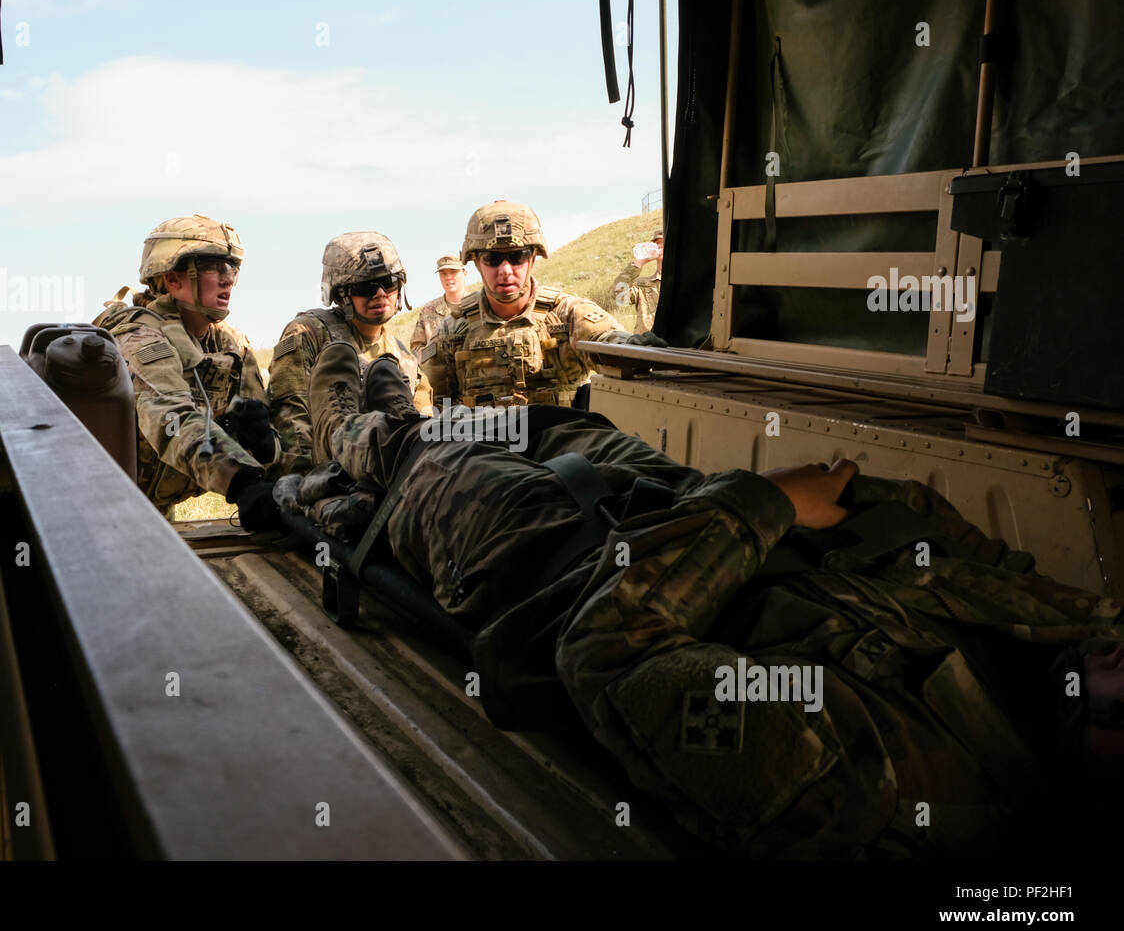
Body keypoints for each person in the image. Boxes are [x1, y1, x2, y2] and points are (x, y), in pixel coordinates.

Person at [271, 340, 1124, 859]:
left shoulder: (870, 789)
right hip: (676, 495)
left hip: (553, 562)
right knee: (526, 423)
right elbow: (964, 550)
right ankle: (373, 432)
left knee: (429, 457)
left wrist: (772, 506)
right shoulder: (1077, 644)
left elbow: (609, 652)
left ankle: (343, 424)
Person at [93, 214, 279, 527]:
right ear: (172, 279)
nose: (227, 279)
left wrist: (264, 443)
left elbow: (270, 439)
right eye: (213, 267)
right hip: (103, 511)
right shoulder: (139, 337)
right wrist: (242, 482)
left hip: (158, 510)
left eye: (232, 268)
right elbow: (172, 418)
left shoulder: (232, 344)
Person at [421, 200, 667, 411]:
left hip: (559, 451)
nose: (506, 270)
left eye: (517, 256)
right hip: (484, 456)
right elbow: (428, 404)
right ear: (475, 262)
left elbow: (605, 340)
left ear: (533, 257)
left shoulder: (566, 314)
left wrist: (629, 348)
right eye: (493, 259)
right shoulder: (454, 331)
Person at [267, 232, 432, 478]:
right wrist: (305, 486)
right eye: (365, 288)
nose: (380, 294)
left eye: (389, 283)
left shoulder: (404, 358)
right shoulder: (309, 334)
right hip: (324, 477)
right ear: (341, 294)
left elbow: (424, 429)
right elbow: (291, 417)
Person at [408, 255, 467, 356]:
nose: (448, 277)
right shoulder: (428, 310)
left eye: (453, 272)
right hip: (439, 370)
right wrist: (434, 358)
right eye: (443, 274)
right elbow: (416, 347)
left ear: (464, 273)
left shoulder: (478, 305)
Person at [612, 227, 663, 333]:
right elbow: (619, 297)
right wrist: (638, 264)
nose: (659, 246)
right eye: (657, 243)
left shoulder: (687, 282)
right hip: (647, 346)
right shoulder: (642, 285)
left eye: (664, 242)